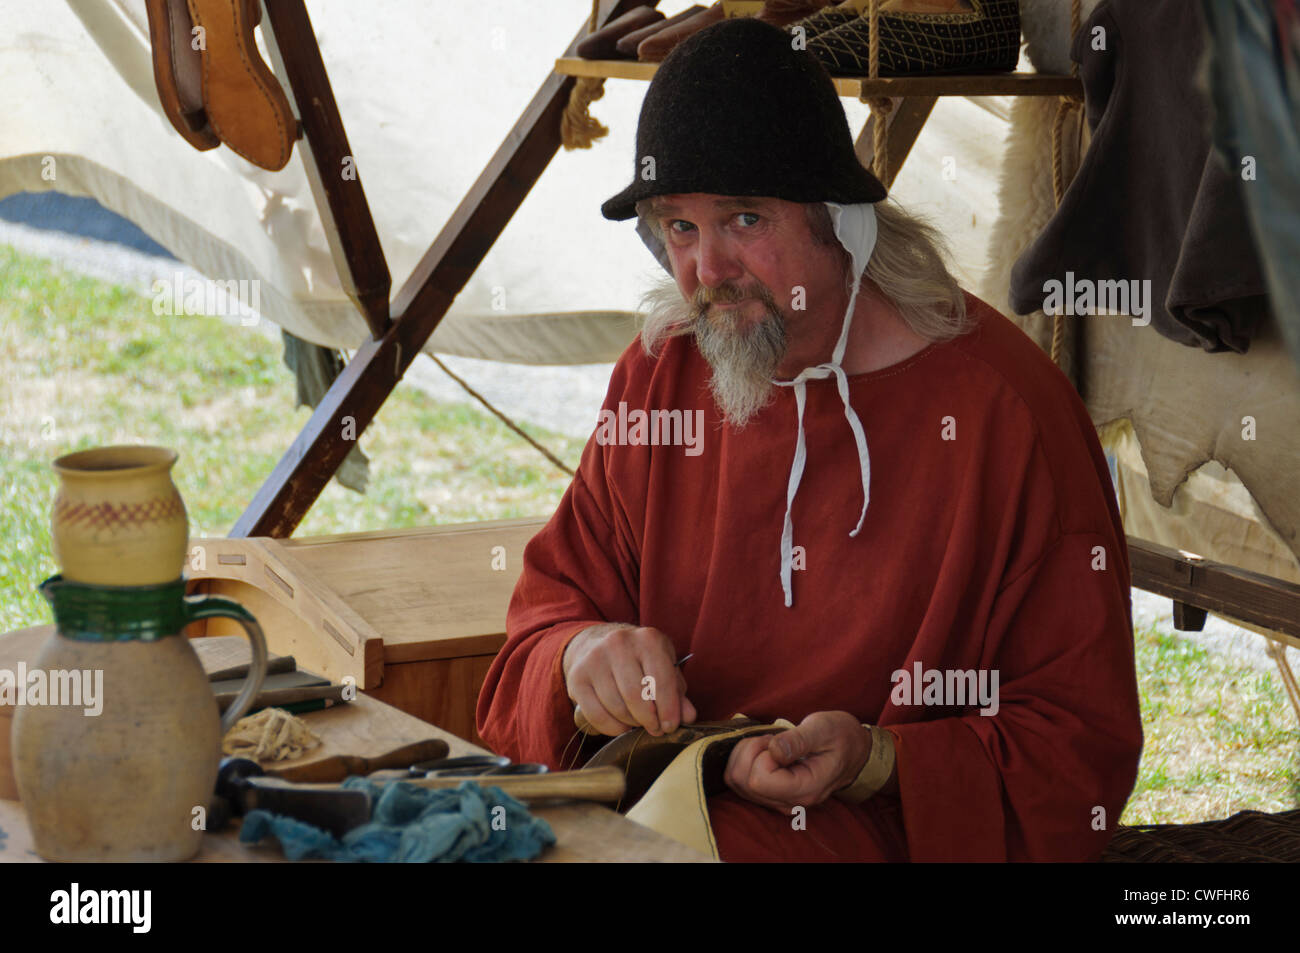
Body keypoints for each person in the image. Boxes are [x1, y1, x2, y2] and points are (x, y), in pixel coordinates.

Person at [476, 16, 1142, 862]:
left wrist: (879, 759)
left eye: (744, 218)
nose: (708, 272)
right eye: (679, 228)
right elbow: (532, 641)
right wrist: (581, 656)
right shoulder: (661, 383)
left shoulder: (1007, 418)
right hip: (648, 825)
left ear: (842, 220)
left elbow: (1080, 752)